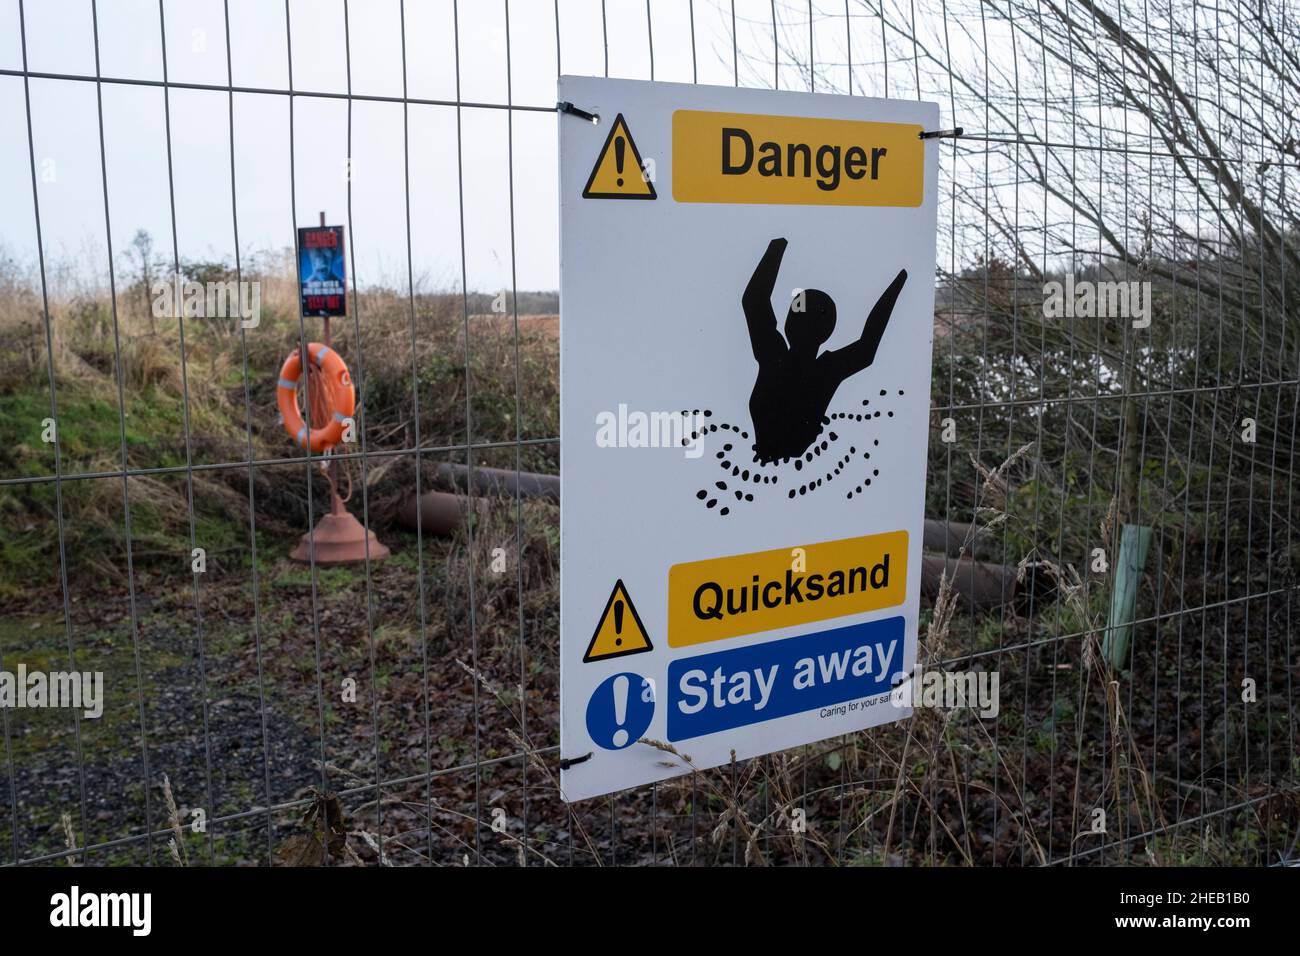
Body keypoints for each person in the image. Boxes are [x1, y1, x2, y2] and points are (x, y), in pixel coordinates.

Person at [742, 237, 907, 464]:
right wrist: (898, 284)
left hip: (777, 456)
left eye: (797, 311)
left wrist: (778, 245)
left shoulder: (775, 355)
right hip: (783, 456)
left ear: (789, 324)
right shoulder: (823, 370)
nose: (793, 316)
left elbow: (755, 301)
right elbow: (867, 345)